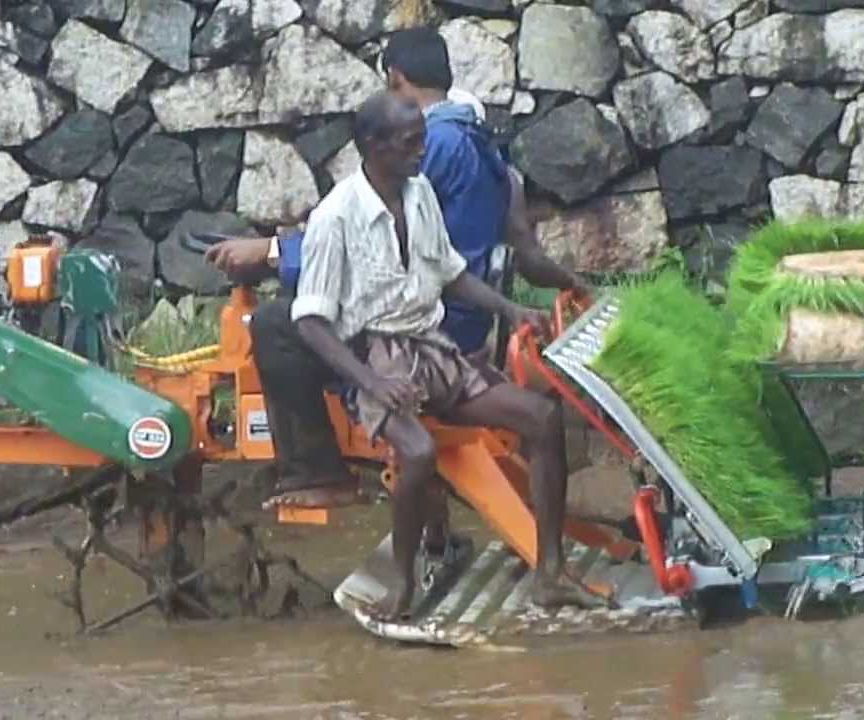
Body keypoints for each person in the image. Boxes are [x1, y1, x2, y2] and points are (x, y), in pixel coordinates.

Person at [205, 28, 584, 511]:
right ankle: (434, 535)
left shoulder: (427, 148)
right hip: (465, 319)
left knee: (275, 323)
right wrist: (559, 289)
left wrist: (273, 253)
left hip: (424, 326)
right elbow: (522, 251)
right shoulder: (485, 144)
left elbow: (373, 243)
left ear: (394, 79)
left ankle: (317, 473)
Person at [294, 91, 584, 619]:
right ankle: (402, 584)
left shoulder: (420, 191)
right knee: (420, 452)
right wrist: (373, 384)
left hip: (434, 346)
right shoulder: (334, 217)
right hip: (373, 357)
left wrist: (510, 309)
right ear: (371, 145)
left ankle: (549, 574)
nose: (420, 152)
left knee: (542, 417)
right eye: (409, 144)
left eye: (421, 140)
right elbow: (311, 323)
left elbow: (451, 275)